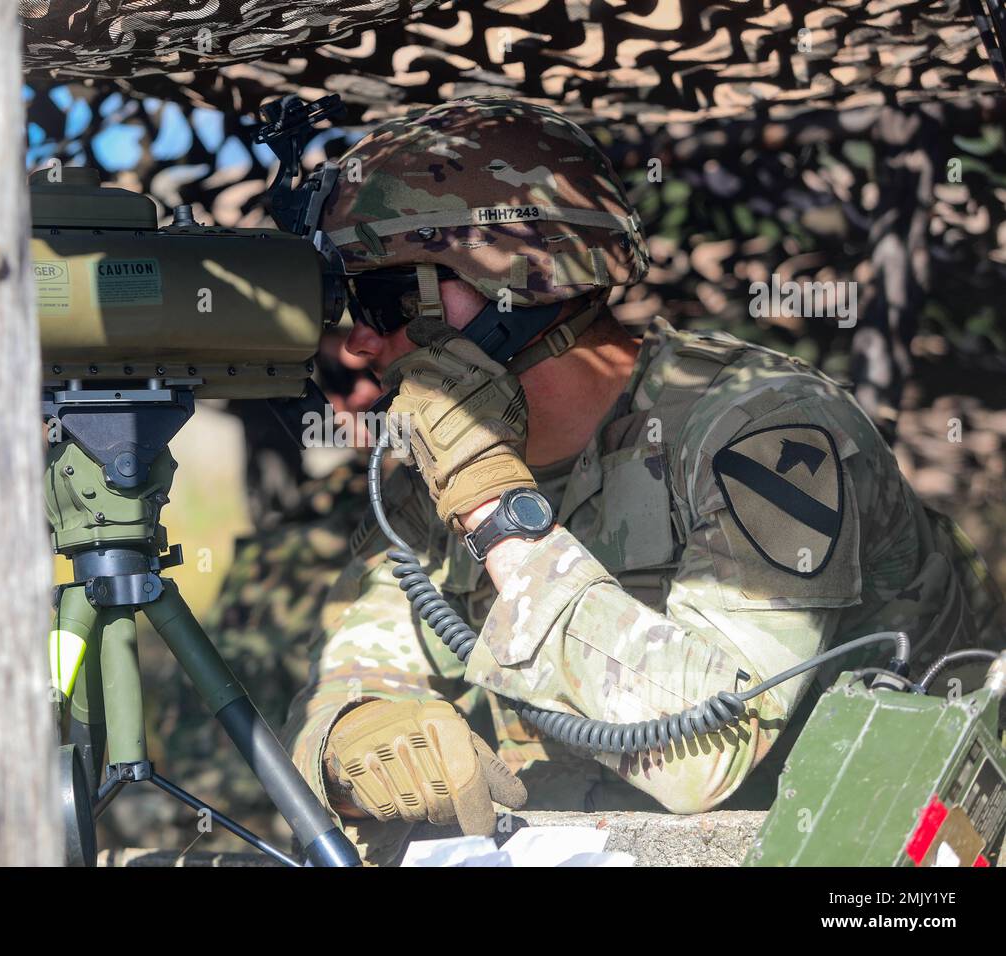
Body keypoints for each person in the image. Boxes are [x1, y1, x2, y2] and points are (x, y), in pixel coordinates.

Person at [278, 97, 1005, 861]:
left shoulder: (761, 427)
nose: (358, 343)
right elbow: (346, 677)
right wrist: (351, 739)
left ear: (519, 280)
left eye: (379, 298)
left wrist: (494, 510)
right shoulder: (436, 471)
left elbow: (700, 750)